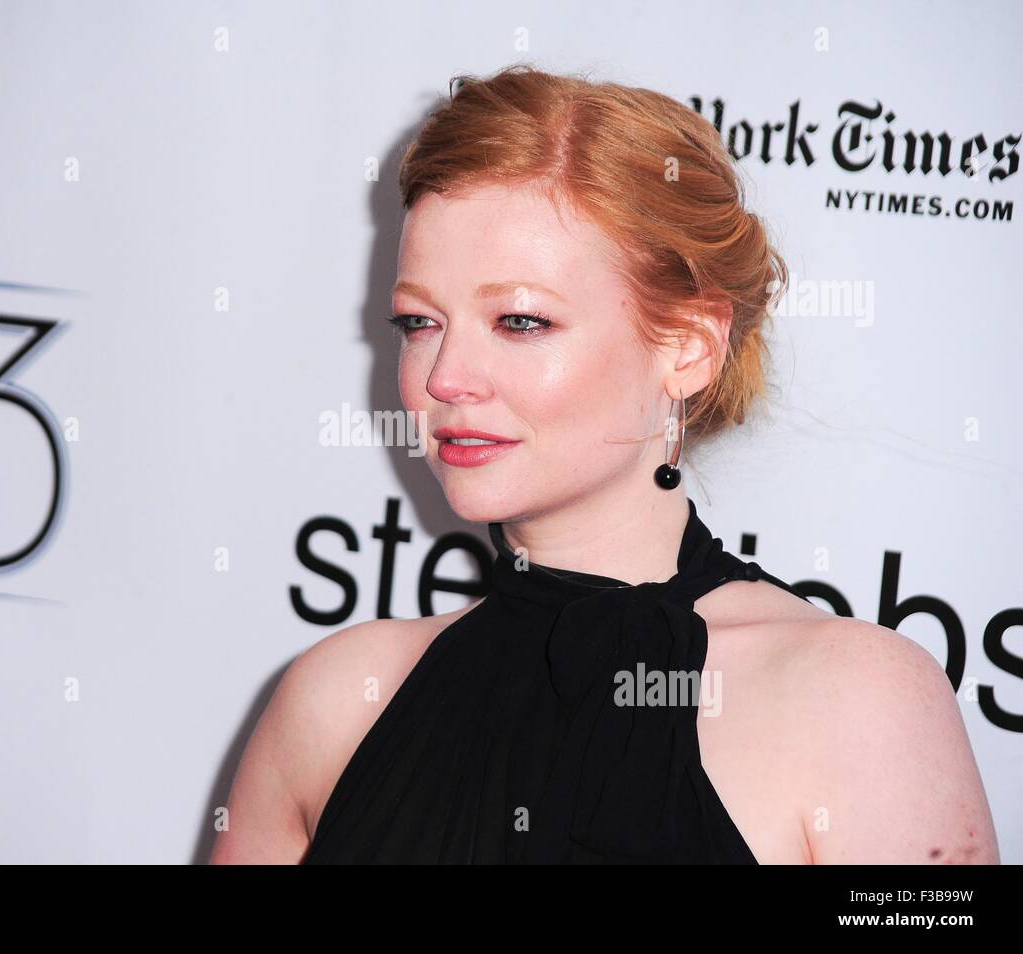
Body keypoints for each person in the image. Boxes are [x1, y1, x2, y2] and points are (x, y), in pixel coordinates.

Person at [210, 65, 1000, 864]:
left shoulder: (856, 703)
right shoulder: (336, 702)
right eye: (419, 321)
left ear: (688, 347)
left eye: (519, 320)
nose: (444, 377)